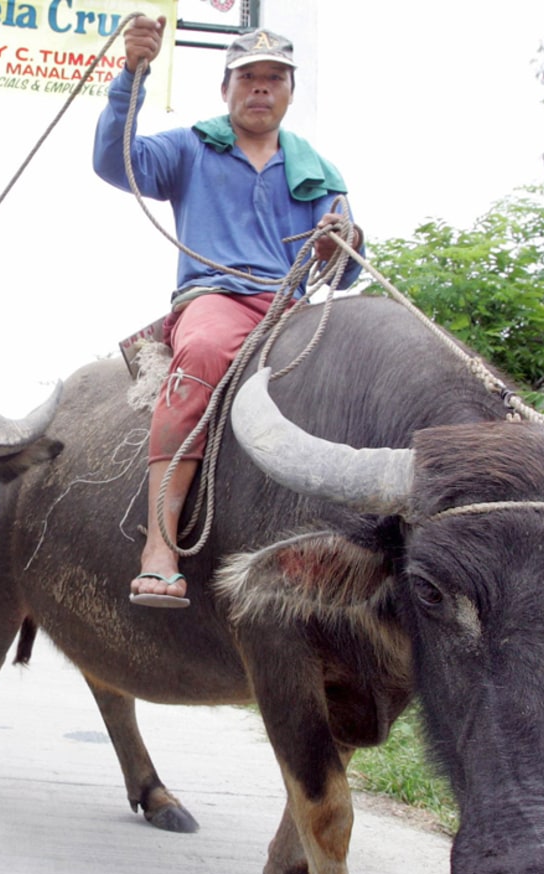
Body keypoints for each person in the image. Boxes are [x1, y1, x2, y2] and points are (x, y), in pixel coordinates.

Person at [93, 16, 364, 608]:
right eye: (248, 77)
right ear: (226, 89)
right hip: (215, 299)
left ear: (290, 92)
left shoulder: (318, 171)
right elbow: (117, 164)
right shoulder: (194, 145)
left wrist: (340, 242)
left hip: (292, 308)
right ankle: (160, 546)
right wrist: (131, 75)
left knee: (358, 368)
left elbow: (347, 272)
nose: (260, 88)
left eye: (274, 78)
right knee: (207, 349)